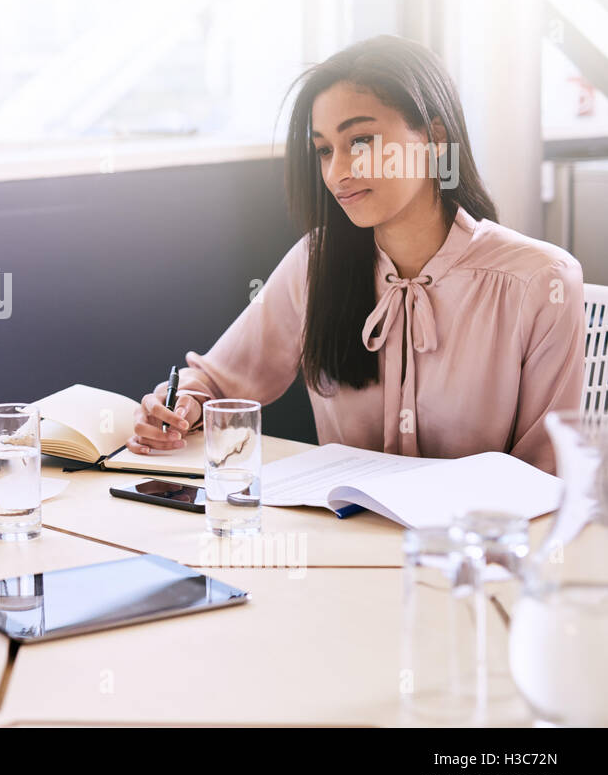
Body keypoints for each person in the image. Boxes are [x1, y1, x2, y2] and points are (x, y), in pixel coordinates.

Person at [129, 35, 584, 475]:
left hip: (468, 548)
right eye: (324, 150)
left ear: (434, 138)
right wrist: (180, 406)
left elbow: (543, 476)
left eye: (361, 142)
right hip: (342, 544)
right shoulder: (315, 262)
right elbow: (216, 383)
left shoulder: (542, 281)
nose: (337, 172)